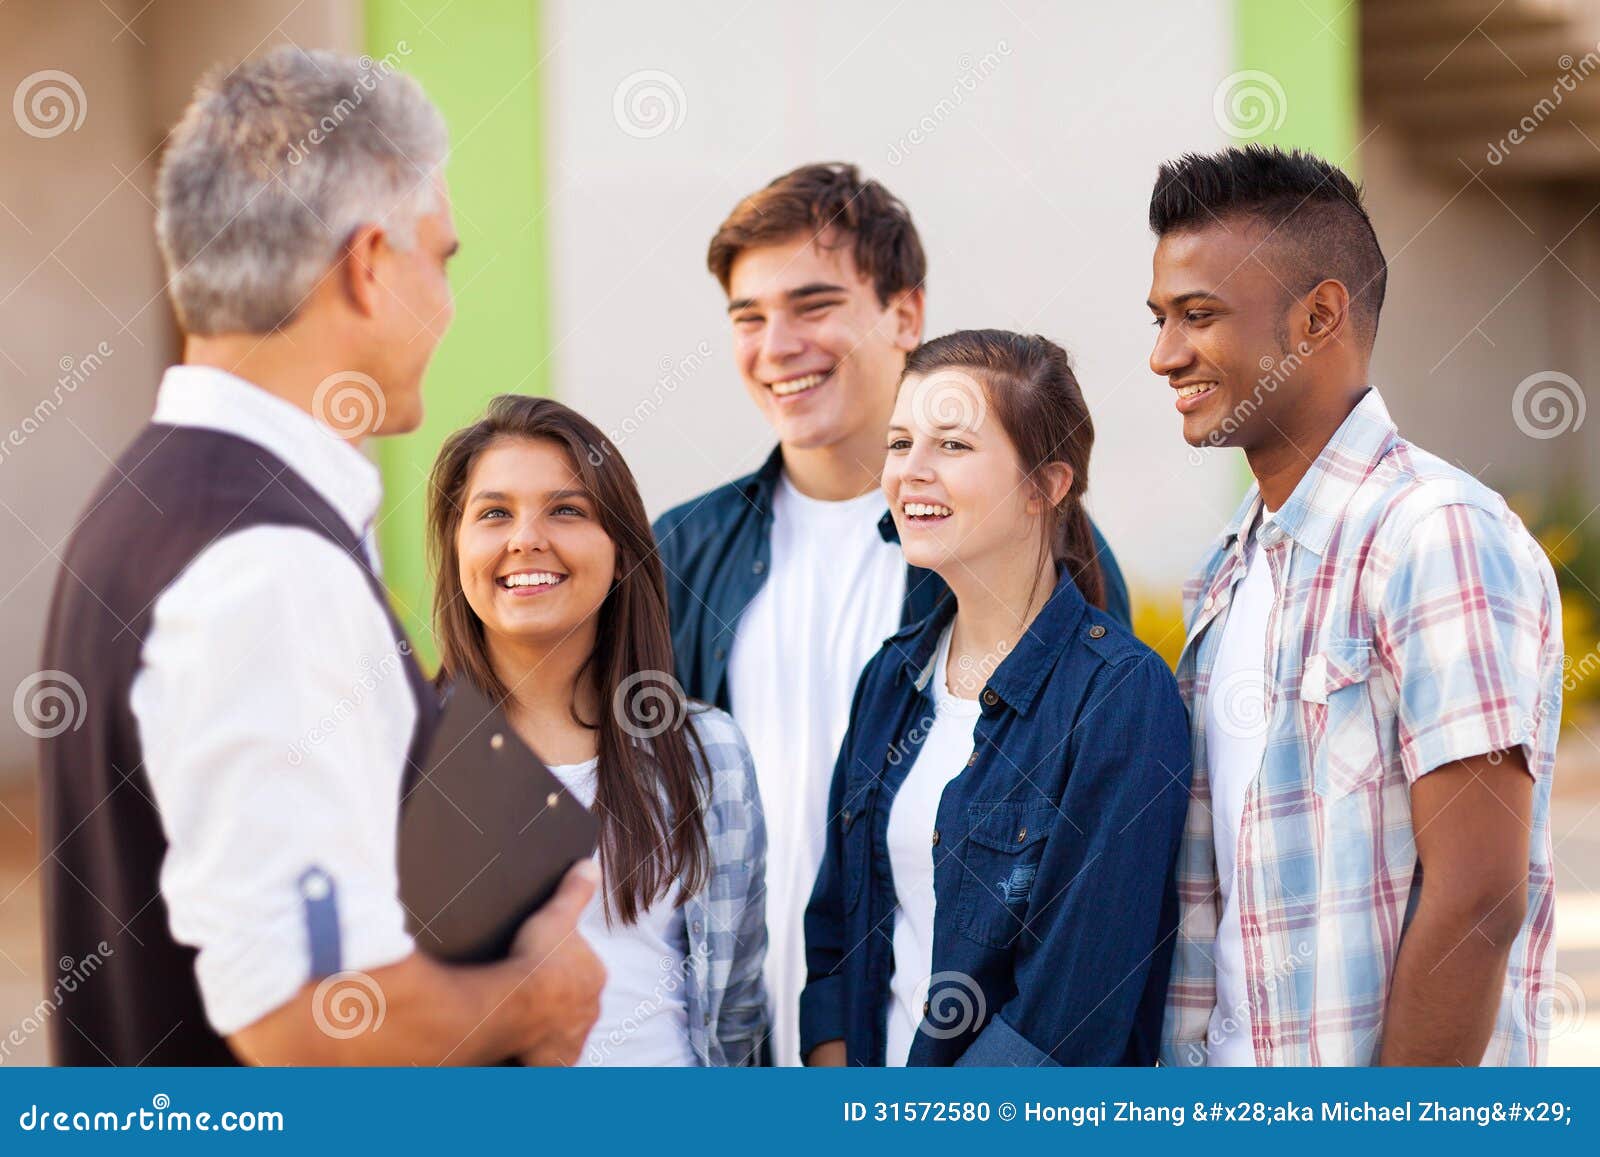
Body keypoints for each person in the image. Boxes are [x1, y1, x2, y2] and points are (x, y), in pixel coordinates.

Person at [35, 47, 602, 1066]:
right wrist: (537, 1001)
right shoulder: (268, 567)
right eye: (444, 256)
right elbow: (308, 1022)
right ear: (371, 265)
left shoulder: (143, 502)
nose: (450, 299)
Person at [652, 164, 1132, 1064]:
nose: (776, 343)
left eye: (813, 304)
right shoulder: (677, 553)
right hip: (732, 1061)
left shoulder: (1030, 546)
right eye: (748, 317)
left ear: (905, 315)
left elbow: (1089, 872)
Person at [1148, 146, 1563, 1066]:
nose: (1163, 353)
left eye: (1198, 315)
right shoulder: (1226, 567)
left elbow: (1478, 897)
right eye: (1160, 318)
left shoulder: (1435, 534)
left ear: (1319, 316)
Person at [801, 330, 1190, 1066]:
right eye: (900, 441)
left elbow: (1070, 1019)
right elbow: (835, 944)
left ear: (1047, 484)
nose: (910, 472)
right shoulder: (891, 679)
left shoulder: (1120, 698)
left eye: (951, 446)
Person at [425, 395, 768, 1066]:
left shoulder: (709, 754)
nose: (526, 538)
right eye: (494, 512)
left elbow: (737, 1014)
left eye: (566, 509)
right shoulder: (398, 756)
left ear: (620, 554)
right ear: (457, 547)